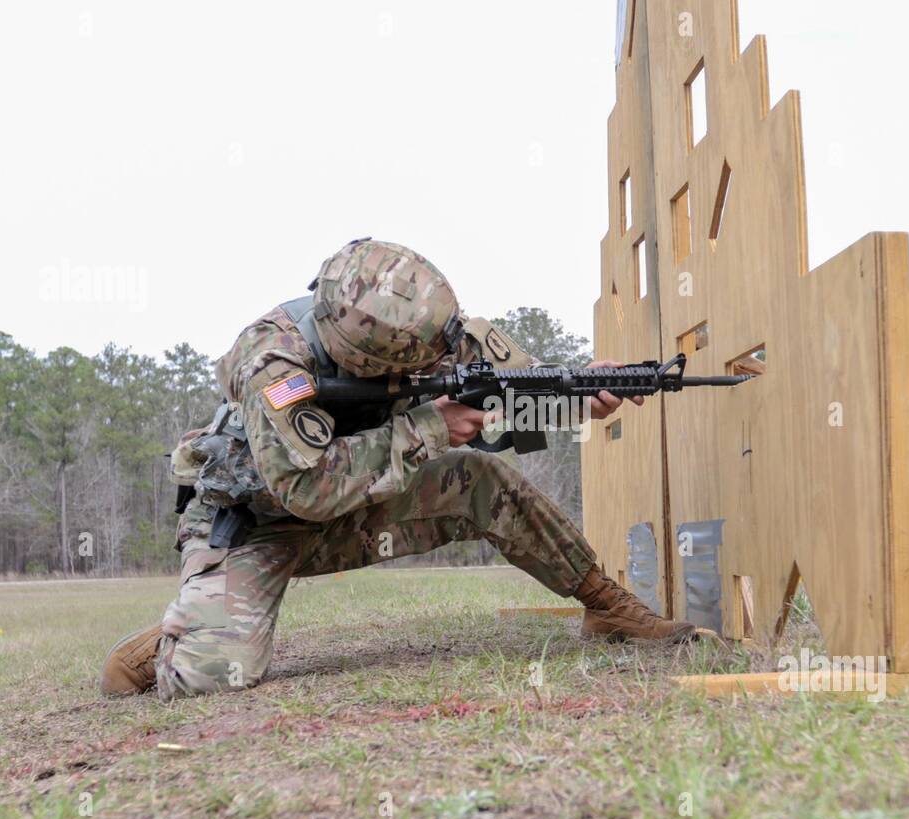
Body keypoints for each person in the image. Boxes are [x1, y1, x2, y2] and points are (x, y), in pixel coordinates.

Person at [101, 238, 696, 700]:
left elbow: (512, 392)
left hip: (355, 510)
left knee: (479, 481)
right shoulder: (272, 361)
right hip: (253, 523)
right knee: (210, 677)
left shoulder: (433, 332)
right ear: (364, 354)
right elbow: (304, 488)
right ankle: (173, 639)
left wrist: (578, 394)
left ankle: (607, 607)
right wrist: (430, 427)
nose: (443, 359)